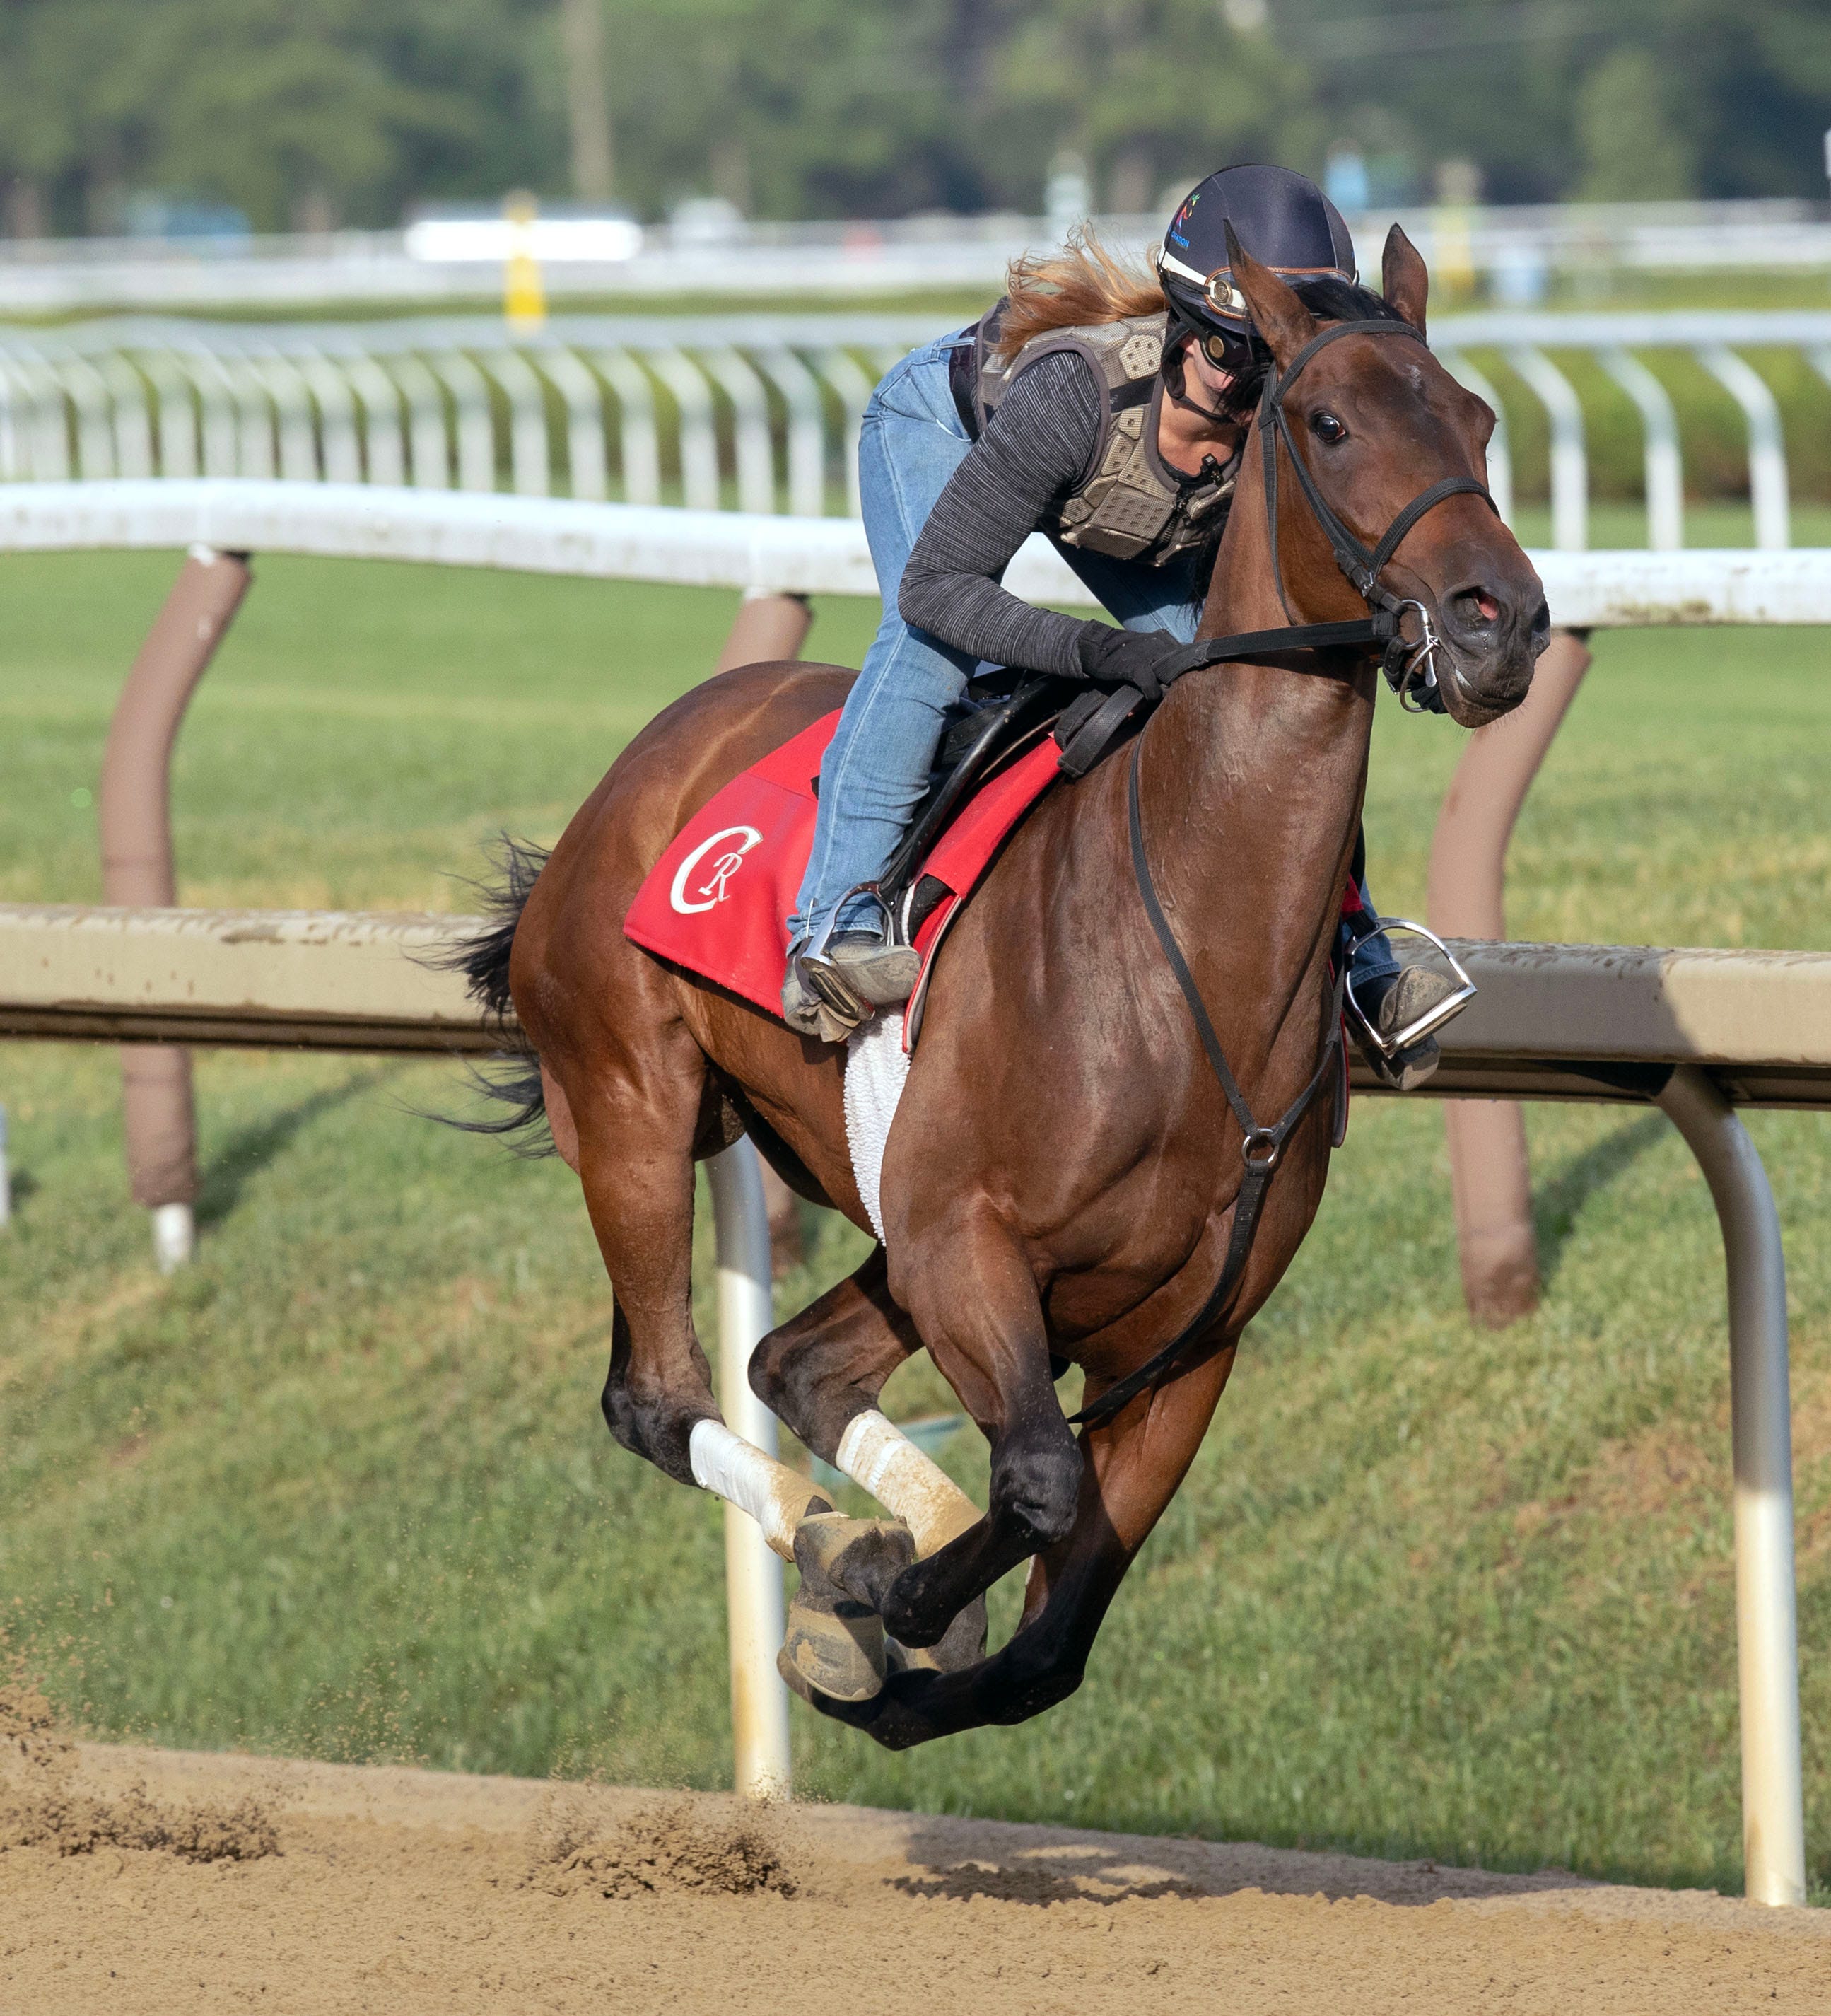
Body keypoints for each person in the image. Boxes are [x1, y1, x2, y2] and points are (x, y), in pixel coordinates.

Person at [783, 161, 1467, 1088]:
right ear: (1193, 331)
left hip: (1126, 496)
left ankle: (1359, 951)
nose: (1255, 383)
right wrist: (1098, 648)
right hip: (951, 425)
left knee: (1242, 685)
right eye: (1241, 353)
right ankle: (832, 925)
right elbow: (940, 589)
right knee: (929, 651)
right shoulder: (1071, 395)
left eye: (1279, 352)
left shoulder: (1286, 404)